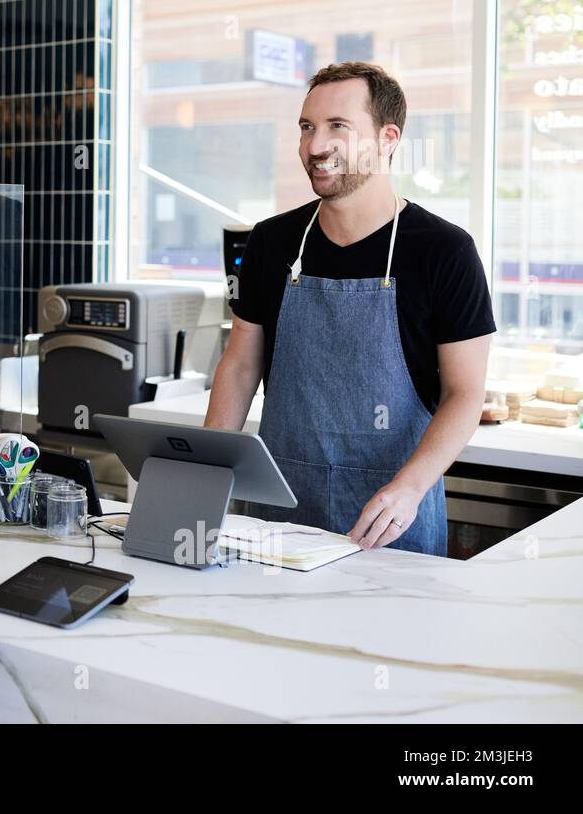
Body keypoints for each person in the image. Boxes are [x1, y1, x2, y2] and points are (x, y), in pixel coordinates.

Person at [205, 62, 494, 556]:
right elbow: (240, 363)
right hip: (280, 511)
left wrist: (410, 489)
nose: (316, 146)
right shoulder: (272, 242)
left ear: (387, 138)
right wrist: (204, 470)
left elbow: (465, 393)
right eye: (306, 127)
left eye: (338, 126)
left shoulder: (443, 251)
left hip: (390, 522)